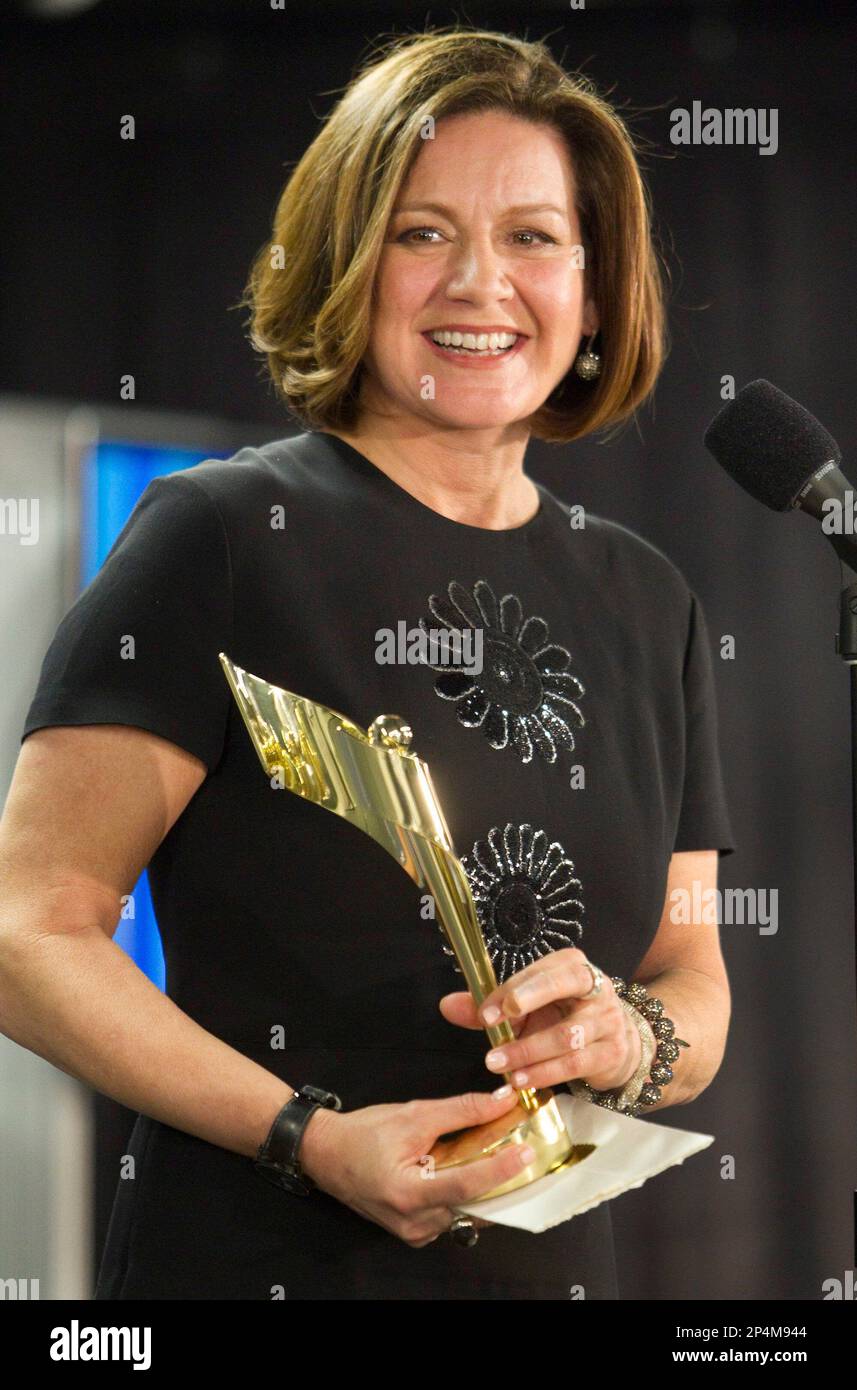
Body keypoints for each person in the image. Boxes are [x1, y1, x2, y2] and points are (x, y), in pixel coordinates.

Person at [0, 27, 734, 1300]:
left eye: (533, 236)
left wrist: (632, 1034)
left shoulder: (647, 600)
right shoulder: (219, 538)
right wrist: (311, 1138)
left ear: (597, 289)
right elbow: (28, 932)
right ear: (344, 262)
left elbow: (693, 979)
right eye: (420, 232)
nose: (479, 284)